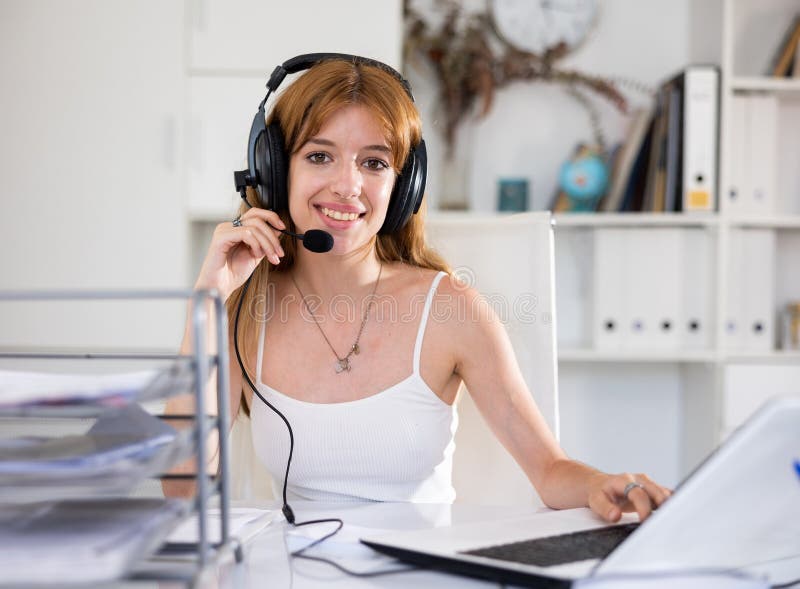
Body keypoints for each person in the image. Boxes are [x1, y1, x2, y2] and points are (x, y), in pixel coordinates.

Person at [165, 54, 670, 523]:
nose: (348, 186)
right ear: (274, 171)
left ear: (404, 186)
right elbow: (182, 488)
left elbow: (550, 471)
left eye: (374, 162)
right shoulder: (245, 314)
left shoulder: (452, 310)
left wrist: (602, 484)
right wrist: (208, 302)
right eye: (320, 156)